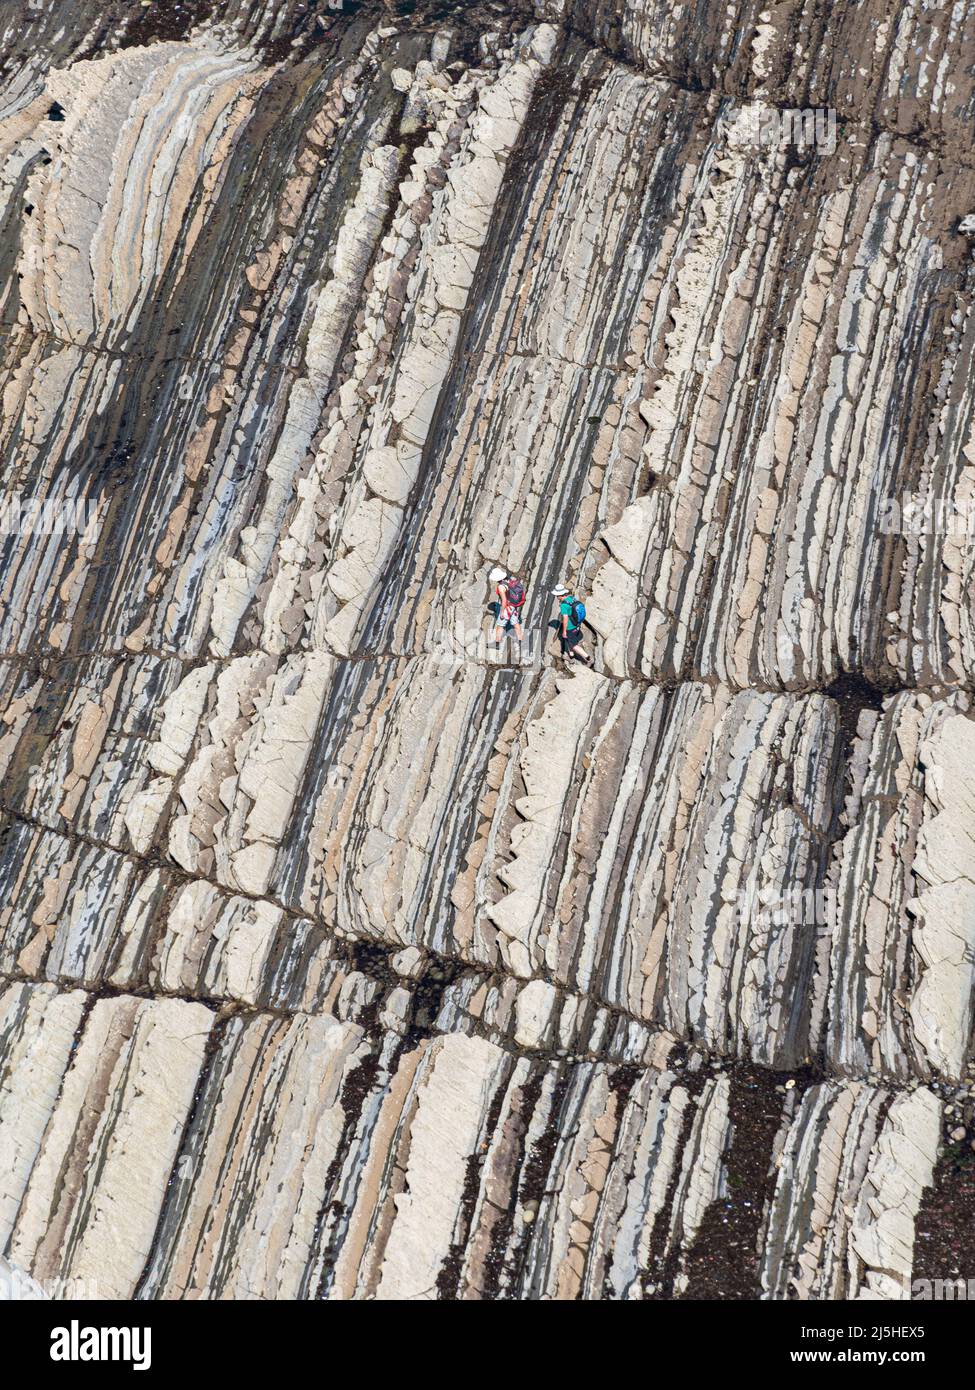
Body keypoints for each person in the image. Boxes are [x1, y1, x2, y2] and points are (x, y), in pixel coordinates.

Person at [551, 583, 594, 667]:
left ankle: (588, 659)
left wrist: (564, 631)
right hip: (577, 623)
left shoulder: (564, 605)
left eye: (557, 596)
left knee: (574, 645)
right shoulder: (571, 598)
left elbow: (565, 618)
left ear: (560, 595)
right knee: (569, 642)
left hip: (570, 627)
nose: (556, 597)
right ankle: (571, 657)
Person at [490, 567, 526, 644]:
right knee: (515, 622)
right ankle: (520, 640)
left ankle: (496, 643)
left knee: (500, 625)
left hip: (508, 607)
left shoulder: (501, 586)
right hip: (514, 606)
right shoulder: (509, 580)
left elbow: (504, 600)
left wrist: (502, 612)